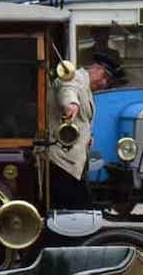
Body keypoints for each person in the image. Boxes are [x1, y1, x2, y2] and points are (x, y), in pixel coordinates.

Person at [49, 51, 121, 211]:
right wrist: (71, 104)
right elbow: (67, 89)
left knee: (77, 207)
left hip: (73, 161)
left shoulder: (85, 86)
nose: (104, 84)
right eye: (105, 79)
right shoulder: (75, 77)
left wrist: (88, 136)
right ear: (98, 70)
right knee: (76, 207)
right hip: (63, 160)